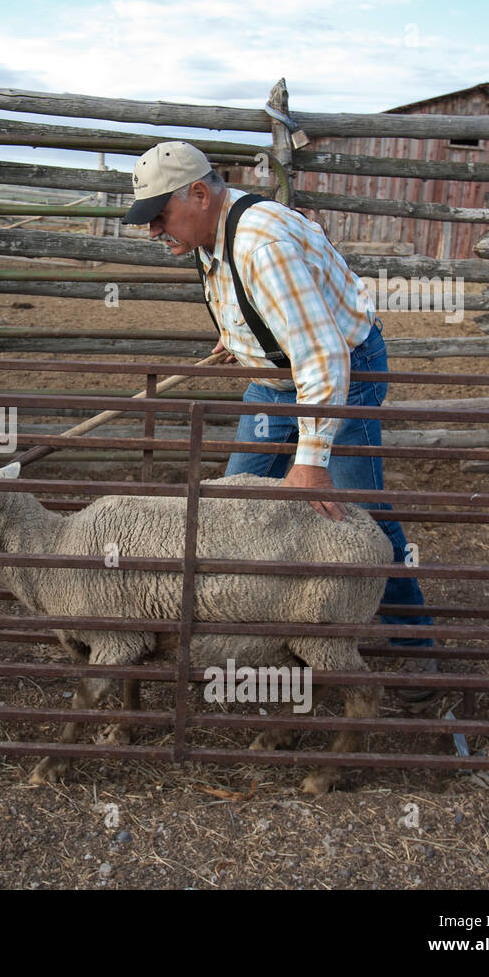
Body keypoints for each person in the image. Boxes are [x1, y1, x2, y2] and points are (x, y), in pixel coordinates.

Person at [120, 141, 436, 699]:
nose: (153, 231)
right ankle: (252, 632)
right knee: (238, 504)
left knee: (353, 511)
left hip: (341, 373)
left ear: (198, 193)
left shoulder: (264, 244)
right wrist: (238, 334)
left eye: (159, 217)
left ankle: (414, 651)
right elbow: (253, 301)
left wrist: (312, 461)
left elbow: (323, 356)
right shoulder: (203, 231)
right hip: (274, 376)